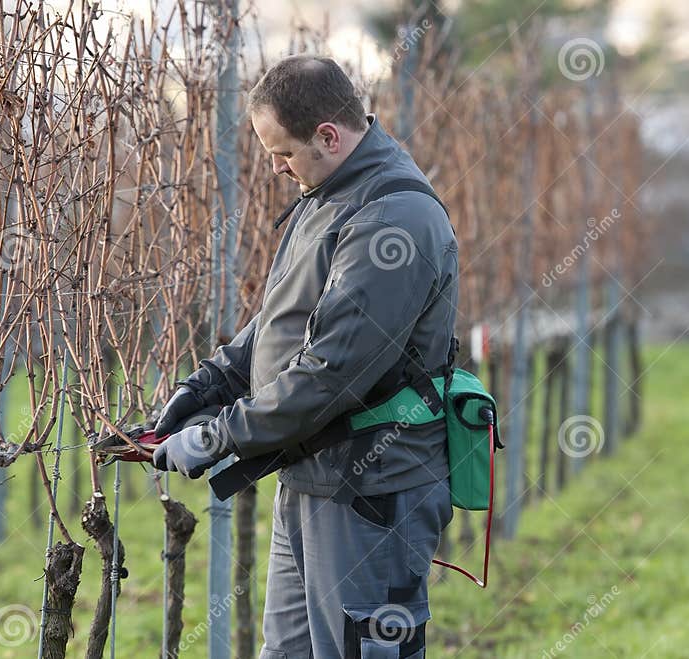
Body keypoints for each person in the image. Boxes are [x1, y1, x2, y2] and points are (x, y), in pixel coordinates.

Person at [152, 54, 459, 658]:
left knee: (360, 650)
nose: (276, 167)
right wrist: (212, 382)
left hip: (372, 489)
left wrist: (220, 437)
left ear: (328, 135)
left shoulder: (393, 216)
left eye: (282, 153)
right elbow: (283, 317)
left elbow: (330, 373)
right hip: (314, 478)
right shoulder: (329, 194)